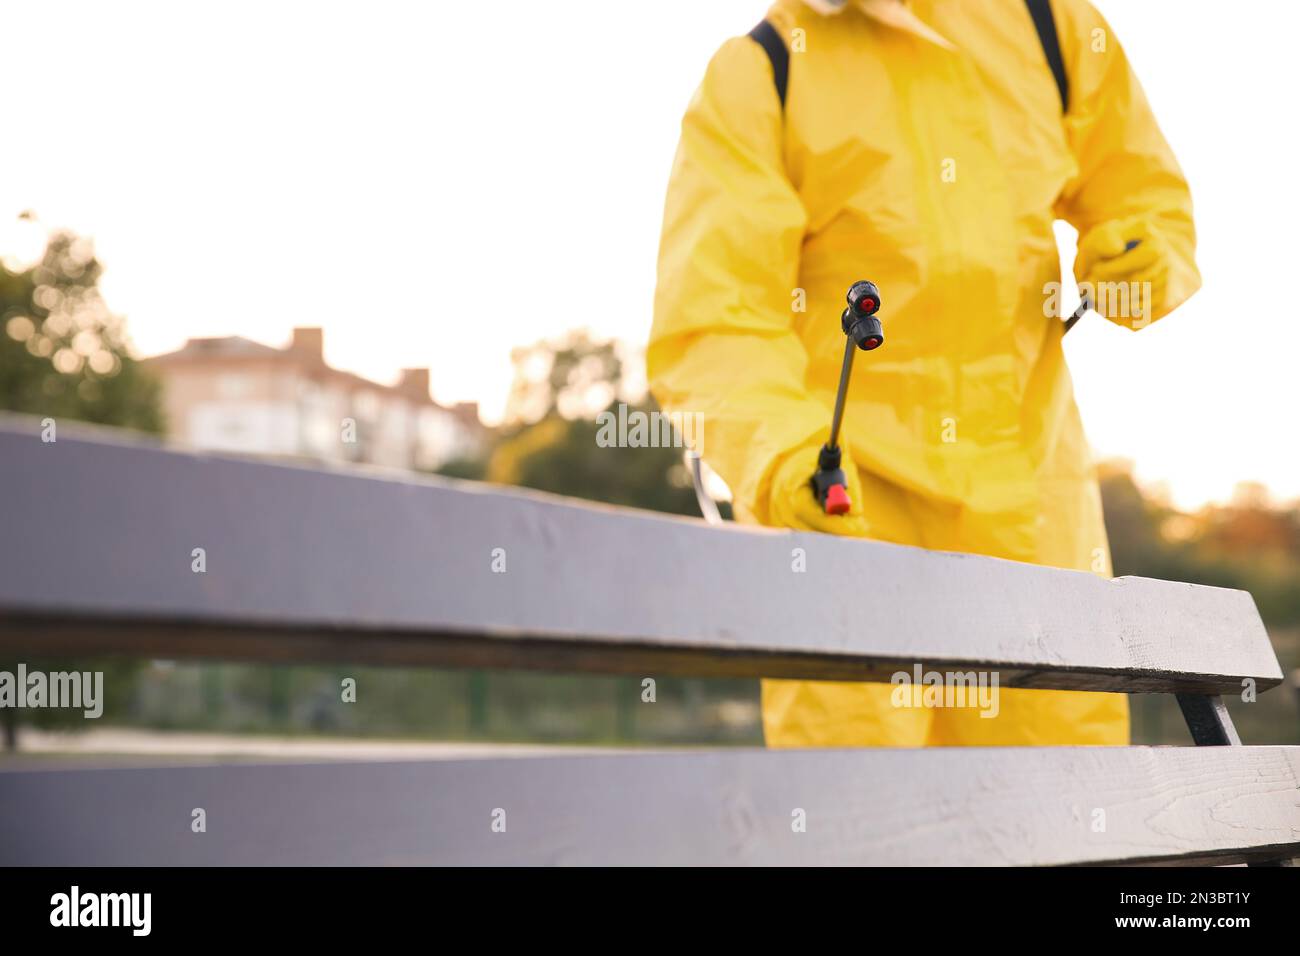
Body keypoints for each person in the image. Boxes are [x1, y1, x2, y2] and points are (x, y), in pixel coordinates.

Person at [647, 0, 1200, 747]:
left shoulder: (1054, 25)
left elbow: (1145, 197)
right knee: (861, 831)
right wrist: (784, 459)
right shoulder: (761, 73)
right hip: (848, 526)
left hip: (1039, 529)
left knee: (1064, 824)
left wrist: (1143, 257)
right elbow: (713, 323)